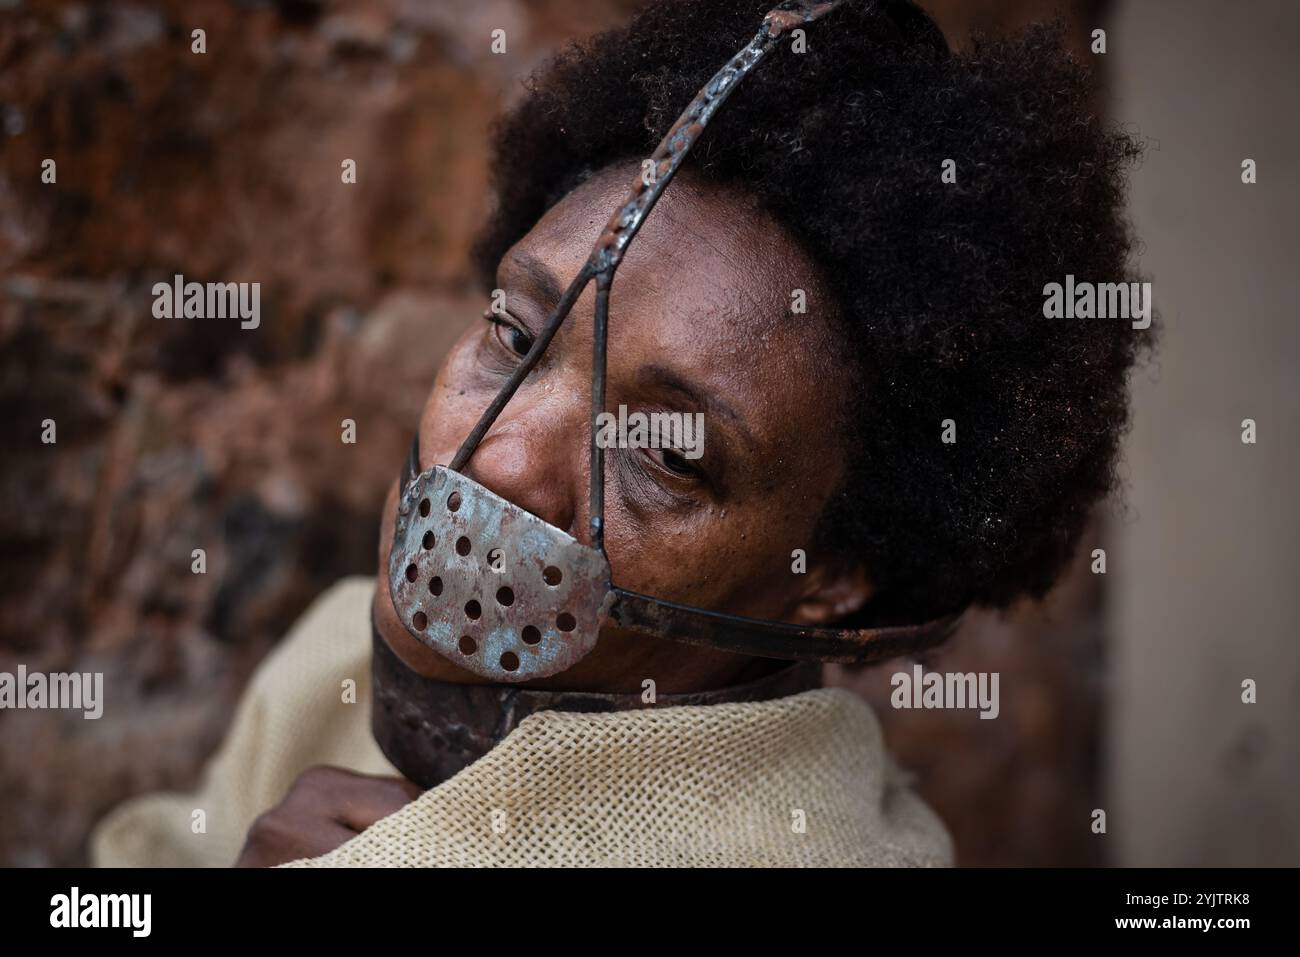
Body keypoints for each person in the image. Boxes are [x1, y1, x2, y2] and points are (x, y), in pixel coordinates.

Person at [92, 0, 1149, 868]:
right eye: (513, 334)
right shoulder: (332, 651)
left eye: (667, 454)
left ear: (832, 573)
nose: (500, 461)